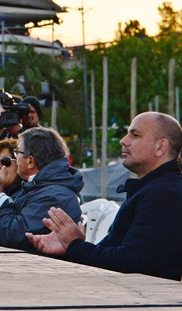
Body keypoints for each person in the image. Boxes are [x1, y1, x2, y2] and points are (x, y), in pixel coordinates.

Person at [27, 112, 182, 279]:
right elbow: (115, 254)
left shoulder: (164, 195)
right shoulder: (154, 189)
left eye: (135, 135)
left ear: (160, 147)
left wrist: (74, 245)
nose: (124, 141)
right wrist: (71, 247)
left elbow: (131, 262)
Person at [0, 127, 82, 252]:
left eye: (17, 153)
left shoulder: (55, 196)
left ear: (30, 161)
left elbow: (14, 237)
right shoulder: (37, 187)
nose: (16, 159)